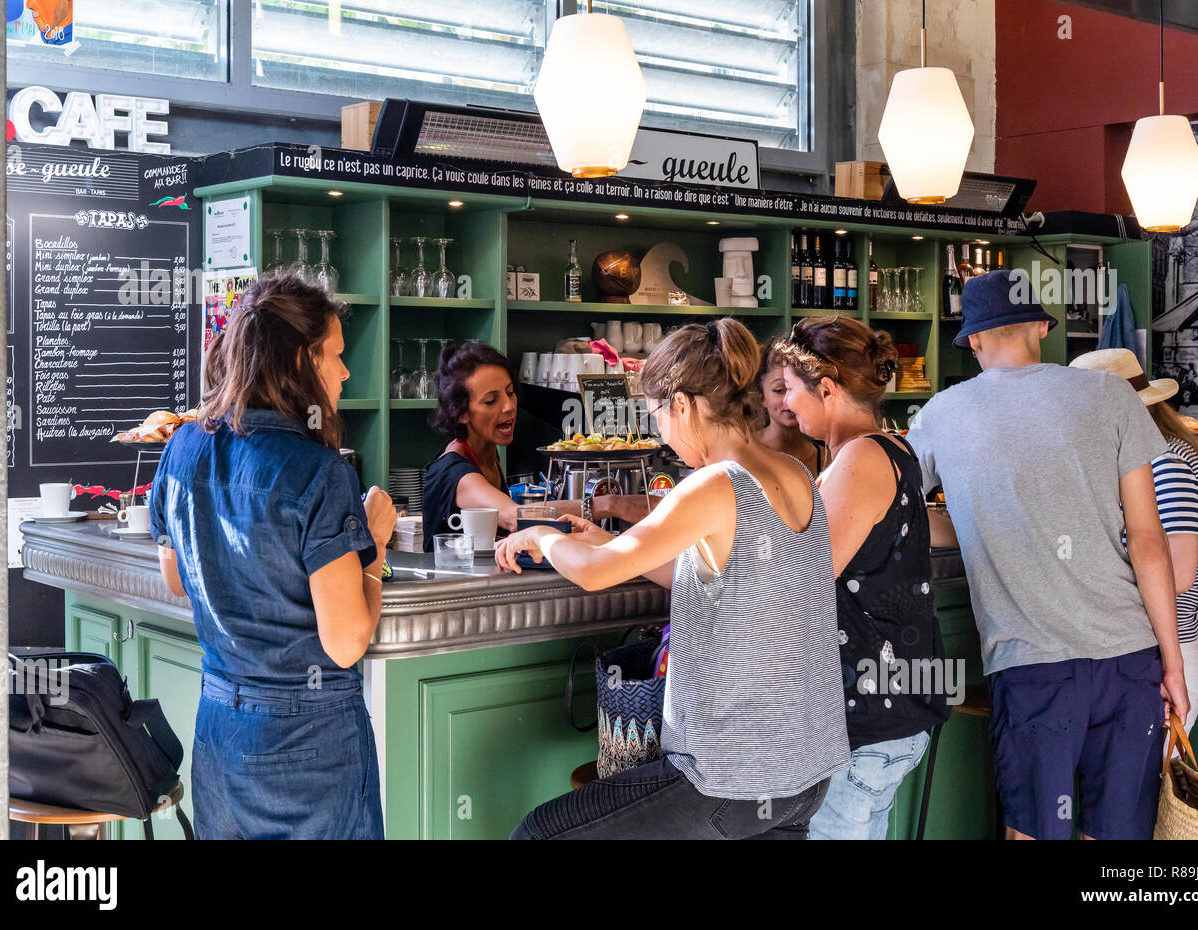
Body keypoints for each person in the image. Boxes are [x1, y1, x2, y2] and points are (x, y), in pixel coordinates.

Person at [496, 318, 850, 839]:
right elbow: (727, 575)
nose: (659, 430)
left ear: (682, 404)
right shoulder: (794, 472)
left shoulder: (713, 484)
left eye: (657, 413)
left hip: (731, 778)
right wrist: (605, 541)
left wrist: (543, 538)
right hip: (803, 775)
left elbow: (594, 576)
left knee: (538, 833)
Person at [908, 270, 1189, 841]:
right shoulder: (1110, 395)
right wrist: (1174, 661)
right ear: (1041, 325)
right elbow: (1149, 542)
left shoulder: (941, 412)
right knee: (1115, 836)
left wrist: (977, 520)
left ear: (973, 340)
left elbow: (895, 510)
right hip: (1130, 655)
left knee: (1035, 832)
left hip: (1032, 661)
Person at [150, 272, 397, 839]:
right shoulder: (320, 472)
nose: (345, 371)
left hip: (221, 727)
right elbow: (346, 642)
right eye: (335, 355)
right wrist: (375, 547)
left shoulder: (183, 446)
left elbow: (177, 580)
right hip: (310, 737)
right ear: (301, 360)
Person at [772, 316, 951, 840]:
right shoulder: (891, 447)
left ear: (826, 389)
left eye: (791, 390)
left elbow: (805, 579)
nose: (786, 404)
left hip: (866, 720)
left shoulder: (857, 460)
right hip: (890, 711)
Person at [1071, 348, 1198, 734]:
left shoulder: (1165, 462)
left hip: (1164, 659)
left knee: (1145, 793)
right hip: (1147, 657)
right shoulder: (1146, 458)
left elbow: (1179, 574)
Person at [423, 342, 649, 551]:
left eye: (510, 393)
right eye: (491, 401)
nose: (509, 406)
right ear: (460, 412)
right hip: (451, 588)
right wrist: (613, 504)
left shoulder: (488, 454)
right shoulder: (454, 472)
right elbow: (515, 517)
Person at [755, 338, 827, 476]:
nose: (789, 401)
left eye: (795, 388)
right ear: (761, 396)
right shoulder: (743, 454)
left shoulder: (827, 459)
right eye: (779, 390)